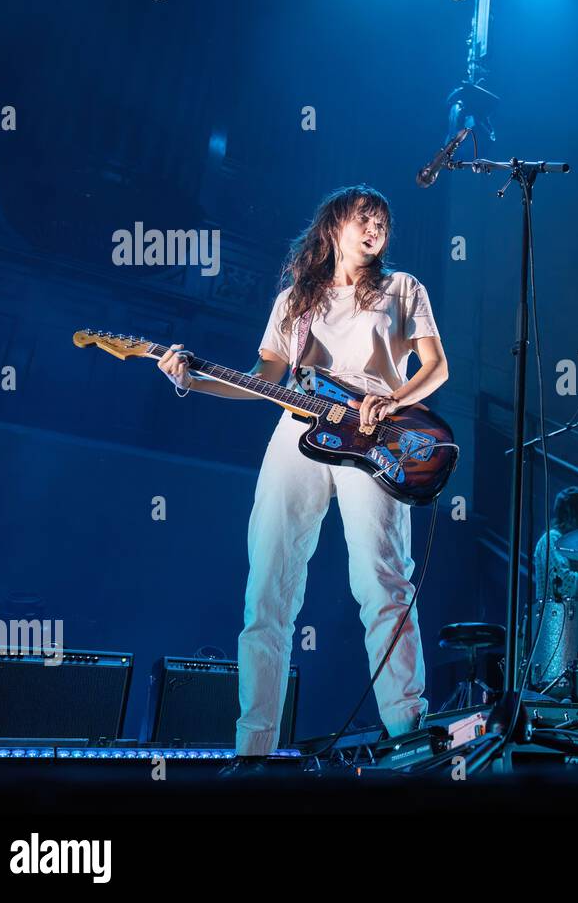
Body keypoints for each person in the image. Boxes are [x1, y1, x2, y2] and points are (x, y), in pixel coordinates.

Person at [157, 185, 448, 776]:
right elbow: (256, 378)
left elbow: (436, 367)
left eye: (384, 222)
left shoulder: (402, 289)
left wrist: (390, 402)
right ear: (334, 225)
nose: (376, 228)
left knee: (382, 582)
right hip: (298, 435)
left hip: (375, 439)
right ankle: (253, 749)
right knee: (268, 585)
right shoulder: (295, 300)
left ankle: (408, 737)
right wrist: (189, 378)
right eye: (365, 217)